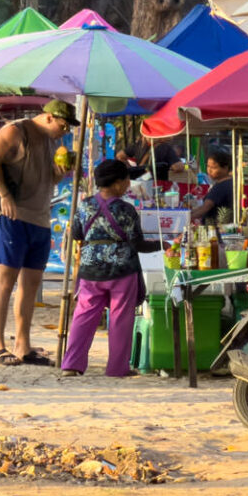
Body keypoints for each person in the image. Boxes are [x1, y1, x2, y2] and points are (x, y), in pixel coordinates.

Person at [0, 98, 78, 366]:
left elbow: (47, 178)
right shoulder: (17, 131)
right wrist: (4, 195)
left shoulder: (52, 143)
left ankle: (22, 345)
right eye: (62, 125)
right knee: (5, 280)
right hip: (11, 215)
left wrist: (60, 173)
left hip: (40, 218)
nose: (65, 132)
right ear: (48, 117)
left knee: (31, 283)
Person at [59, 159, 158, 379]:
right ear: (117, 183)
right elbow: (138, 244)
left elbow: (76, 234)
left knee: (83, 316)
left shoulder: (84, 206)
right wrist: (163, 245)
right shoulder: (126, 210)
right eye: (126, 180)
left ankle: (71, 365)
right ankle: (117, 368)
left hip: (90, 270)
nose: (127, 184)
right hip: (122, 271)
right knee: (120, 319)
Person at [189, 147, 234, 224]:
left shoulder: (221, 187)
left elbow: (205, 208)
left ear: (225, 168)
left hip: (215, 229)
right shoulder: (230, 182)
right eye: (208, 166)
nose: (209, 170)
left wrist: (186, 218)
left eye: (214, 167)